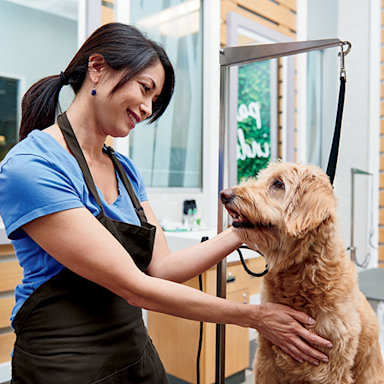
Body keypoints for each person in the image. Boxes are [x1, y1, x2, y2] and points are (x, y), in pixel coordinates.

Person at [0, 23, 332, 383]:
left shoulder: (123, 170)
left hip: (134, 354)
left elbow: (162, 268)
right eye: (145, 89)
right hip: (63, 364)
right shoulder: (32, 166)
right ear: (97, 67)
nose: (146, 108)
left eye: (154, 100)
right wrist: (255, 316)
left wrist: (244, 229)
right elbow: (134, 286)